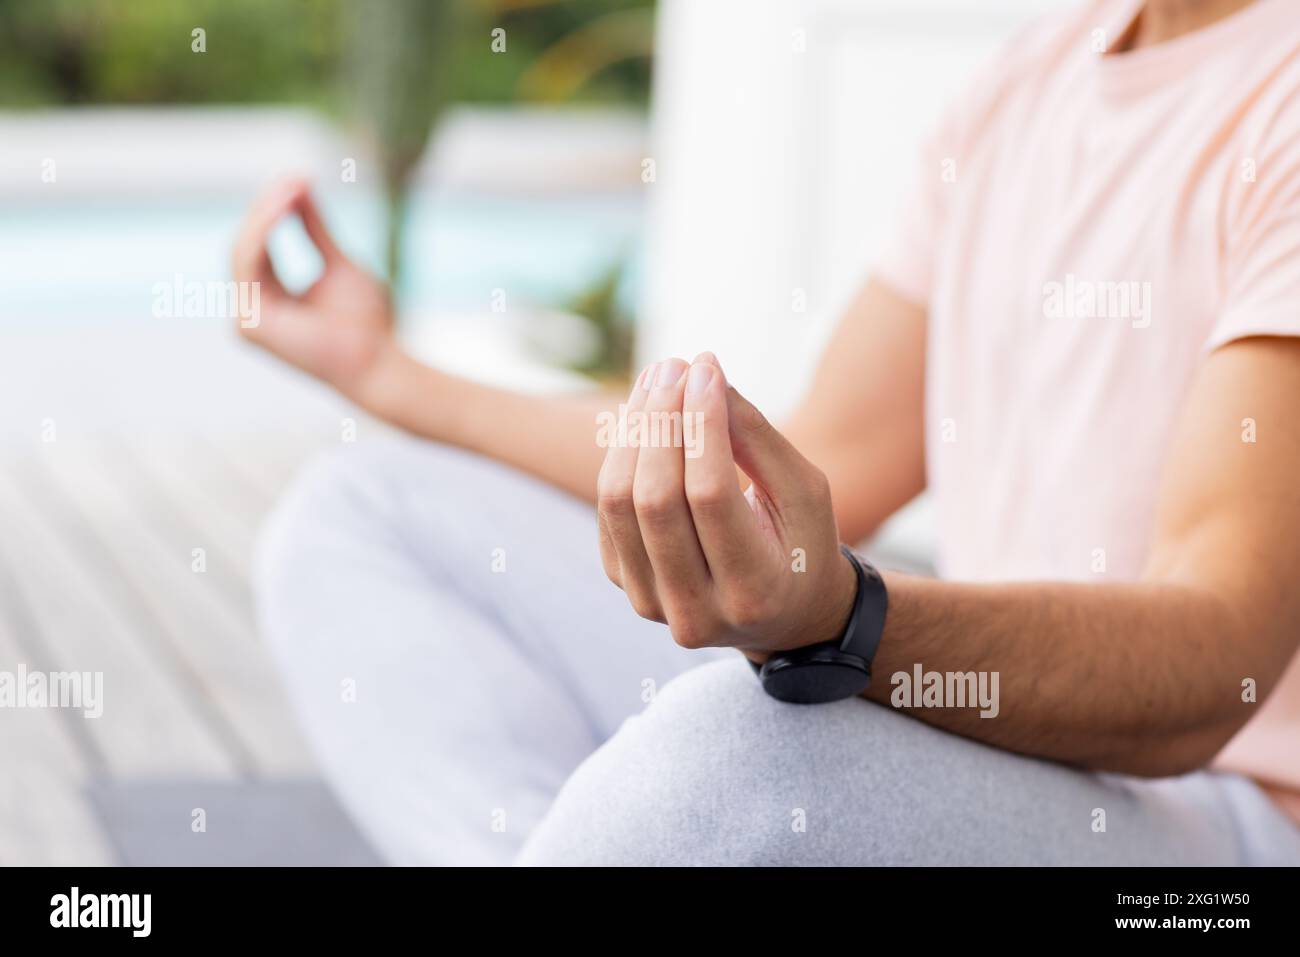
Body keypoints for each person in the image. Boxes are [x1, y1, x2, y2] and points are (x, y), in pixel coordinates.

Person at [234, 0, 1300, 865]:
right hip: (998, 747)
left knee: (742, 751)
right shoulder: (1026, 81)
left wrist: (846, 622)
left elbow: (1217, 672)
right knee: (360, 516)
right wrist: (383, 373)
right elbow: (823, 456)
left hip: (1220, 824)